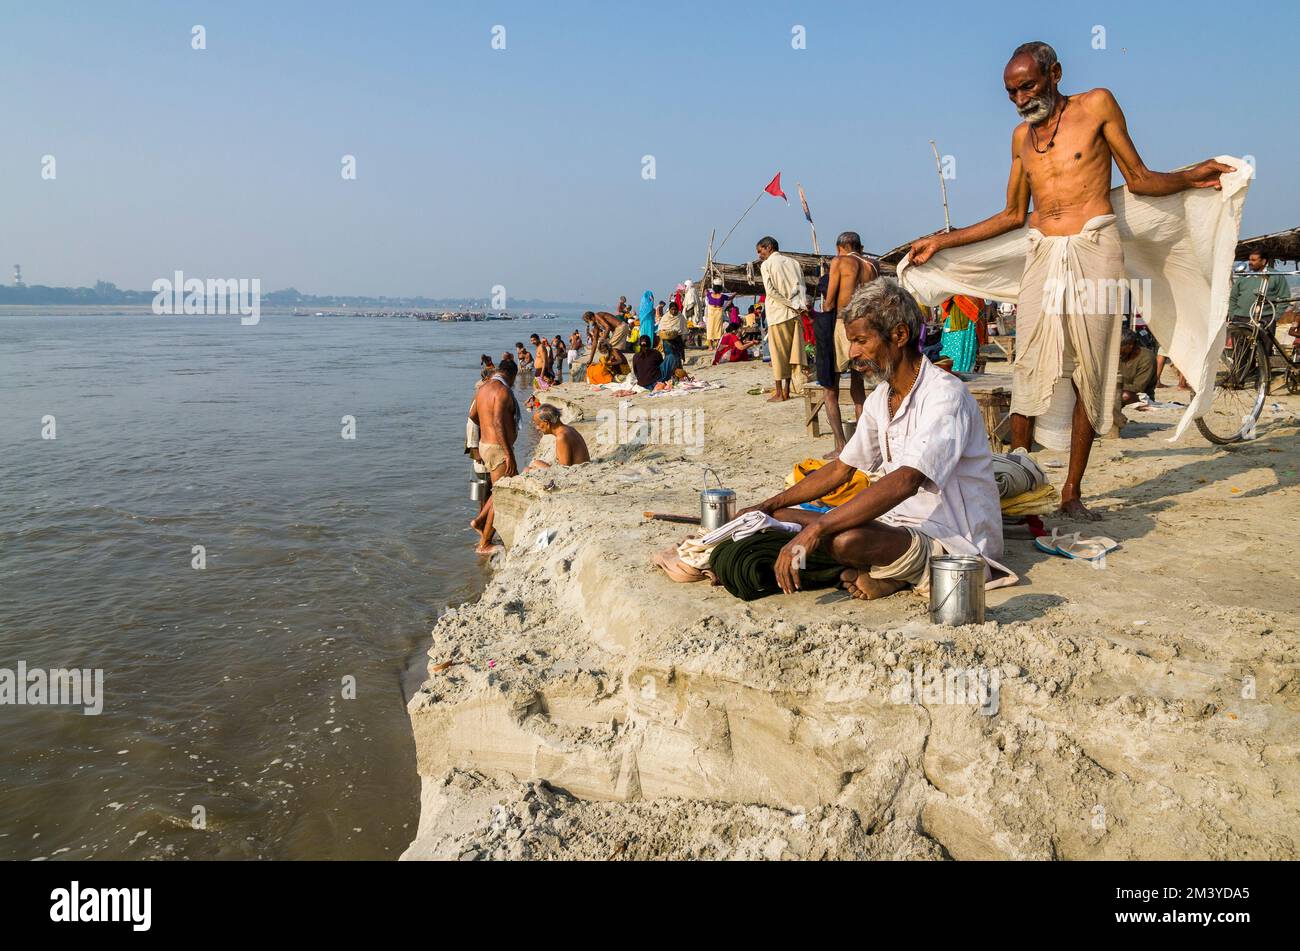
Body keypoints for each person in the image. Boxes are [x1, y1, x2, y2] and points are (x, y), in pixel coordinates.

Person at [908, 40, 1233, 520]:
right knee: (1030, 361)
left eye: (1028, 86)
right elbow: (1013, 214)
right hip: (1042, 252)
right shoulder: (1022, 138)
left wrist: (1189, 176)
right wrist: (944, 240)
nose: (1020, 99)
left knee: (1091, 364)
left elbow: (1139, 179)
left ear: (1055, 74)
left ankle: (1072, 490)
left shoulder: (1097, 104)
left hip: (1095, 245)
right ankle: (1018, 480)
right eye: (1011, 92)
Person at [738, 279, 1005, 600]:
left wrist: (819, 528)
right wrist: (769, 505)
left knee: (842, 540)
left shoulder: (946, 396)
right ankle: (886, 574)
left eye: (861, 341)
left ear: (900, 336)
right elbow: (841, 470)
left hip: (953, 541)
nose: (853, 353)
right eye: (851, 342)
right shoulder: (883, 396)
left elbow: (907, 481)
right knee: (778, 519)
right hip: (896, 524)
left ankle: (890, 574)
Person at [815, 231, 877, 455]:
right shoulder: (872, 266)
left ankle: (841, 446)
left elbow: (830, 302)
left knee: (829, 388)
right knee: (858, 387)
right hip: (867, 327)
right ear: (859, 247)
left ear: (840, 247)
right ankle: (861, 445)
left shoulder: (840, 261)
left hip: (843, 324)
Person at [469, 356, 521, 553]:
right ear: (511, 375)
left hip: (485, 445)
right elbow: (499, 423)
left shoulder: (482, 388)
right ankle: (485, 543)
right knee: (500, 495)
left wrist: (486, 425)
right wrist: (509, 454)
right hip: (498, 448)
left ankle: (480, 520)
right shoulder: (503, 391)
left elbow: (473, 415)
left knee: (500, 489)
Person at [756, 235, 809, 403]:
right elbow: (802, 287)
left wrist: (789, 304)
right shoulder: (794, 263)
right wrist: (797, 306)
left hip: (778, 314)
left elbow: (770, 291)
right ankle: (787, 390)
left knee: (778, 355)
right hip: (795, 314)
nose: (759, 255)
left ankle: (780, 392)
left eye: (760, 251)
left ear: (768, 247)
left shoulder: (767, 265)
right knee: (792, 354)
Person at [938, 295, 980, 373]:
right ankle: (951, 368)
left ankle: (957, 369)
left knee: (962, 346)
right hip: (955, 320)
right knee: (954, 347)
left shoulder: (969, 295)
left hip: (965, 319)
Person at [1118, 329, 1157, 404]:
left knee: (1125, 396)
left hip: (1140, 395)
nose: (1117, 350)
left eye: (1119, 347)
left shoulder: (1146, 358)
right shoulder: (1120, 355)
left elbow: (1138, 388)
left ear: (1130, 345)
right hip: (1118, 389)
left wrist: (1114, 384)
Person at [704, 282, 732, 350]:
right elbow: (729, 298)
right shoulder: (722, 296)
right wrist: (734, 294)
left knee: (710, 328)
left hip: (711, 313)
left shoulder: (710, 295)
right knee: (718, 328)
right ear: (720, 290)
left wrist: (706, 288)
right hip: (718, 313)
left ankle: (710, 346)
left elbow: (705, 292)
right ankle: (717, 345)